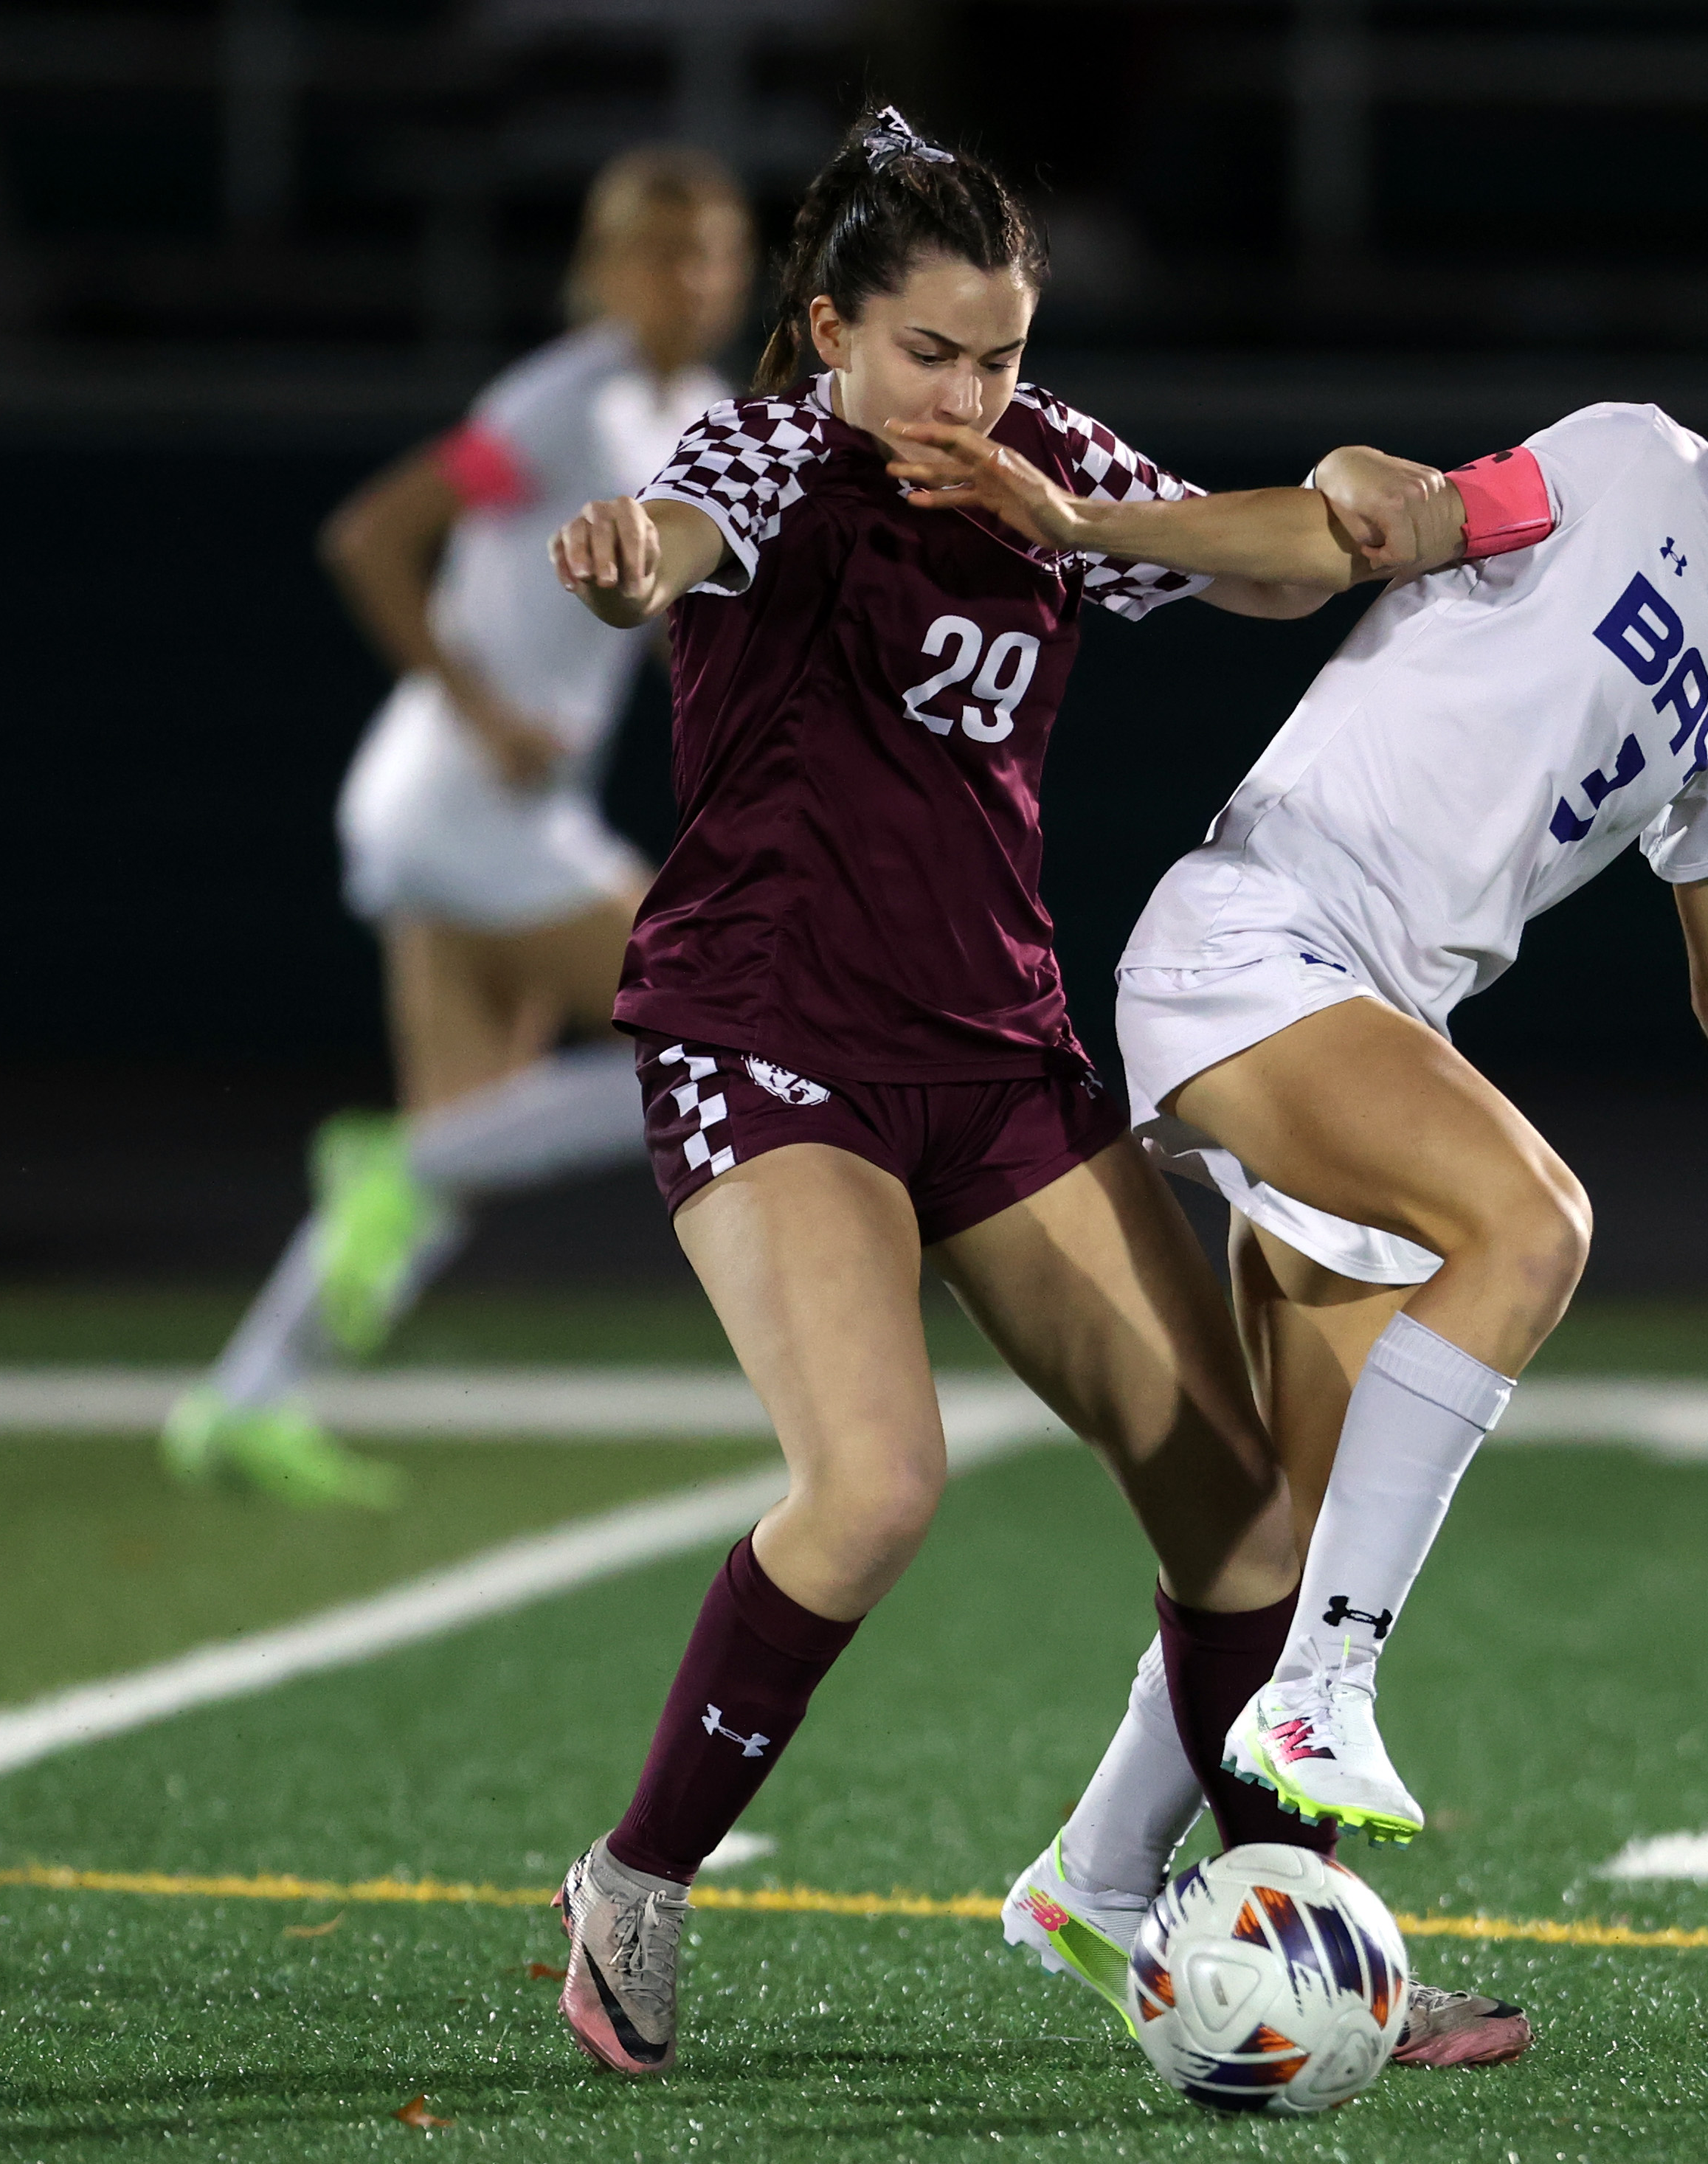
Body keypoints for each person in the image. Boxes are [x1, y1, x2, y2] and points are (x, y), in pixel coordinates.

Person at [887, 307, 1708, 2058]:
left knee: (1289, 1540)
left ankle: (1109, 1878)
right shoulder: (1635, 461)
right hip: (1259, 941)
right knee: (1530, 1223)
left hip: (1369, 1024)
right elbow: (1380, 526)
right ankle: (1330, 1696)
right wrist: (1094, 526)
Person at [536, 104, 1525, 2081]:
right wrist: (629, 561)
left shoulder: (1045, 458)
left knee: (1240, 1512)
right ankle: (636, 1877)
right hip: (770, 1028)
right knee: (878, 1481)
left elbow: (1266, 572)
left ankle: (1314, 1943)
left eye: (1001, 350)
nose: (973, 391)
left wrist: (1263, 512)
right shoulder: (775, 450)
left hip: (991, 1046)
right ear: (829, 331)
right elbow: (677, 540)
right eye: (932, 353)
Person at [162, 146, 756, 1507]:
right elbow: (372, 536)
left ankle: (242, 1401)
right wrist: (481, 707)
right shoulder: (559, 401)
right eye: (667, 252)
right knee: (721, 1028)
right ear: (606, 268)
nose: (698, 277)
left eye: (718, 252)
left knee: (470, 1145)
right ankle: (393, 1156)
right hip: (461, 797)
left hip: (491, 813)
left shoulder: (703, 413)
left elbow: (671, 624)